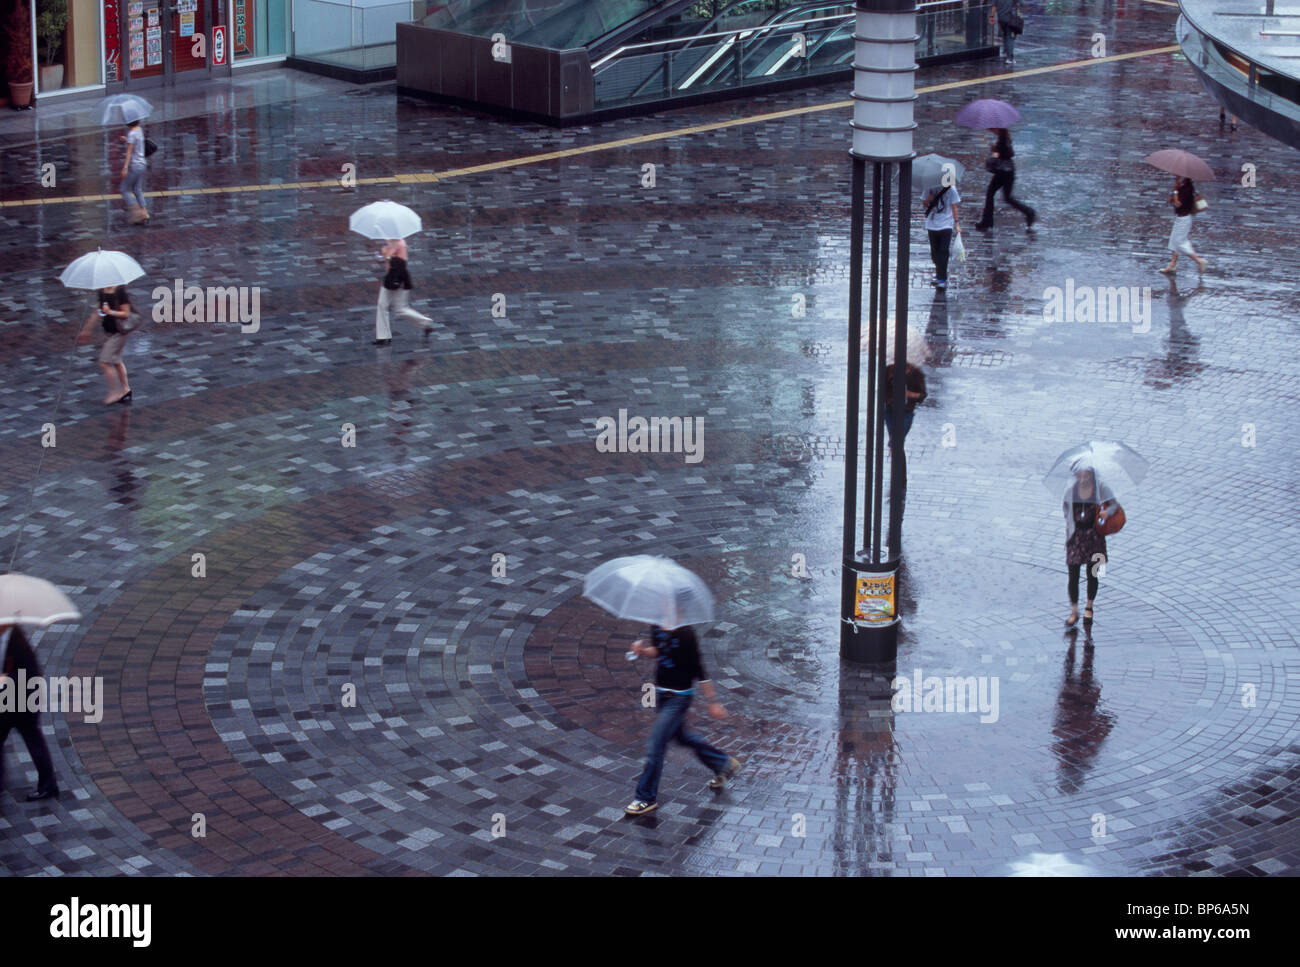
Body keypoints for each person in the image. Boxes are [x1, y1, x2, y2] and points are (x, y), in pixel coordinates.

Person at [624, 623, 740, 816]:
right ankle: (723, 763)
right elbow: (659, 651)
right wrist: (642, 651)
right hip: (661, 693)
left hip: (679, 698)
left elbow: (699, 669)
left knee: (656, 744)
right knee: (682, 736)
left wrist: (713, 702)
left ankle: (645, 797)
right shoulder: (657, 625)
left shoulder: (686, 633)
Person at [0, 624, 60, 801]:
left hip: (24, 699)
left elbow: (28, 672)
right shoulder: (5, 637)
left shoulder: (17, 640)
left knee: (33, 739)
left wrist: (6, 678)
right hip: (9, 700)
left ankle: (48, 786)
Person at [1062, 468, 1118, 627]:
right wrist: (1068, 521)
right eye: (1080, 475)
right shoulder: (1072, 489)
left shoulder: (1101, 488)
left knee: (1093, 573)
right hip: (1077, 537)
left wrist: (1107, 512)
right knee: (1073, 574)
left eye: (1086, 475)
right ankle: (1074, 610)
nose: (1082, 479)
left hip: (1095, 537)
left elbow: (1114, 505)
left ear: (1091, 475)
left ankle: (1089, 606)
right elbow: (1066, 507)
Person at [884, 361, 927, 550]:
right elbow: (883, 390)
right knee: (895, 445)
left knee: (896, 444)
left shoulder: (916, 374)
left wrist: (909, 394)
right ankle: (899, 477)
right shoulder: (889, 370)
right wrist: (890, 397)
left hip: (906, 413)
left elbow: (922, 395)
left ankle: (900, 478)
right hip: (891, 412)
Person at [77, 284, 134, 405]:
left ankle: (114, 393)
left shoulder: (120, 291)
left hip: (119, 332)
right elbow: (98, 312)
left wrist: (110, 312)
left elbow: (126, 313)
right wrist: (87, 329)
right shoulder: (102, 290)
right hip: (109, 332)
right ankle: (125, 389)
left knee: (104, 362)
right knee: (117, 360)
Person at [373, 237, 434, 346]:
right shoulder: (389, 241)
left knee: (400, 309)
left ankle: (425, 323)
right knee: (382, 305)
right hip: (389, 278)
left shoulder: (401, 244)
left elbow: (400, 264)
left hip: (398, 280)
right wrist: (382, 255)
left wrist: (386, 256)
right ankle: (382, 337)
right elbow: (387, 259)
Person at [975, 128, 1035, 232]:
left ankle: (987, 221)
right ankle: (1028, 212)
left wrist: (995, 150)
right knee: (1005, 197)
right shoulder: (1004, 137)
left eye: (992, 129)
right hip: (1006, 171)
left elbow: (1008, 154)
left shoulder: (1003, 138)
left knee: (993, 194)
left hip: (1004, 172)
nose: (991, 130)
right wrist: (996, 149)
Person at [1160, 176, 1207, 275]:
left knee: (1180, 243)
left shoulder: (1186, 189)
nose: (1177, 178)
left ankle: (1199, 261)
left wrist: (1176, 191)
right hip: (1180, 218)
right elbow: (1172, 201)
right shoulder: (1183, 188)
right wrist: (1174, 192)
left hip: (1183, 220)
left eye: (1179, 177)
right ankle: (1172, 265)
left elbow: (1178, 204)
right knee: (1173, 240)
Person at [921, 182, 962, 289]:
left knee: (943, 251)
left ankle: (942, 279)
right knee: (935, 254)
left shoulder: (951, 189)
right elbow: (924, 205)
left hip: (946, 225)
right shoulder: (929, 187)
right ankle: (940, 273)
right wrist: (928, 199)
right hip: (932, 224)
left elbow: (954, 207)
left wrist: (957, 223)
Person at [120, 119, 149, 225]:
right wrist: (126, 139)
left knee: (124, 189)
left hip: (134, 166)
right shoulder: (139, 130)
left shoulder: (132, 133)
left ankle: (136, 211)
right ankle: (145, 213)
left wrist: (125, 168)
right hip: (142, 164)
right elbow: (136, 143)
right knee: (137, 189)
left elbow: (129, 152)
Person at [993, 0, 1021, 65]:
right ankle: (1010, 58)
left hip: (1001, 19)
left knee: (1005, 34)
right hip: (1010, 20)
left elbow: (994, 6)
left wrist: (991, 16)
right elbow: (1022, 3)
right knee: (1010, 37)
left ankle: (1005, 51)